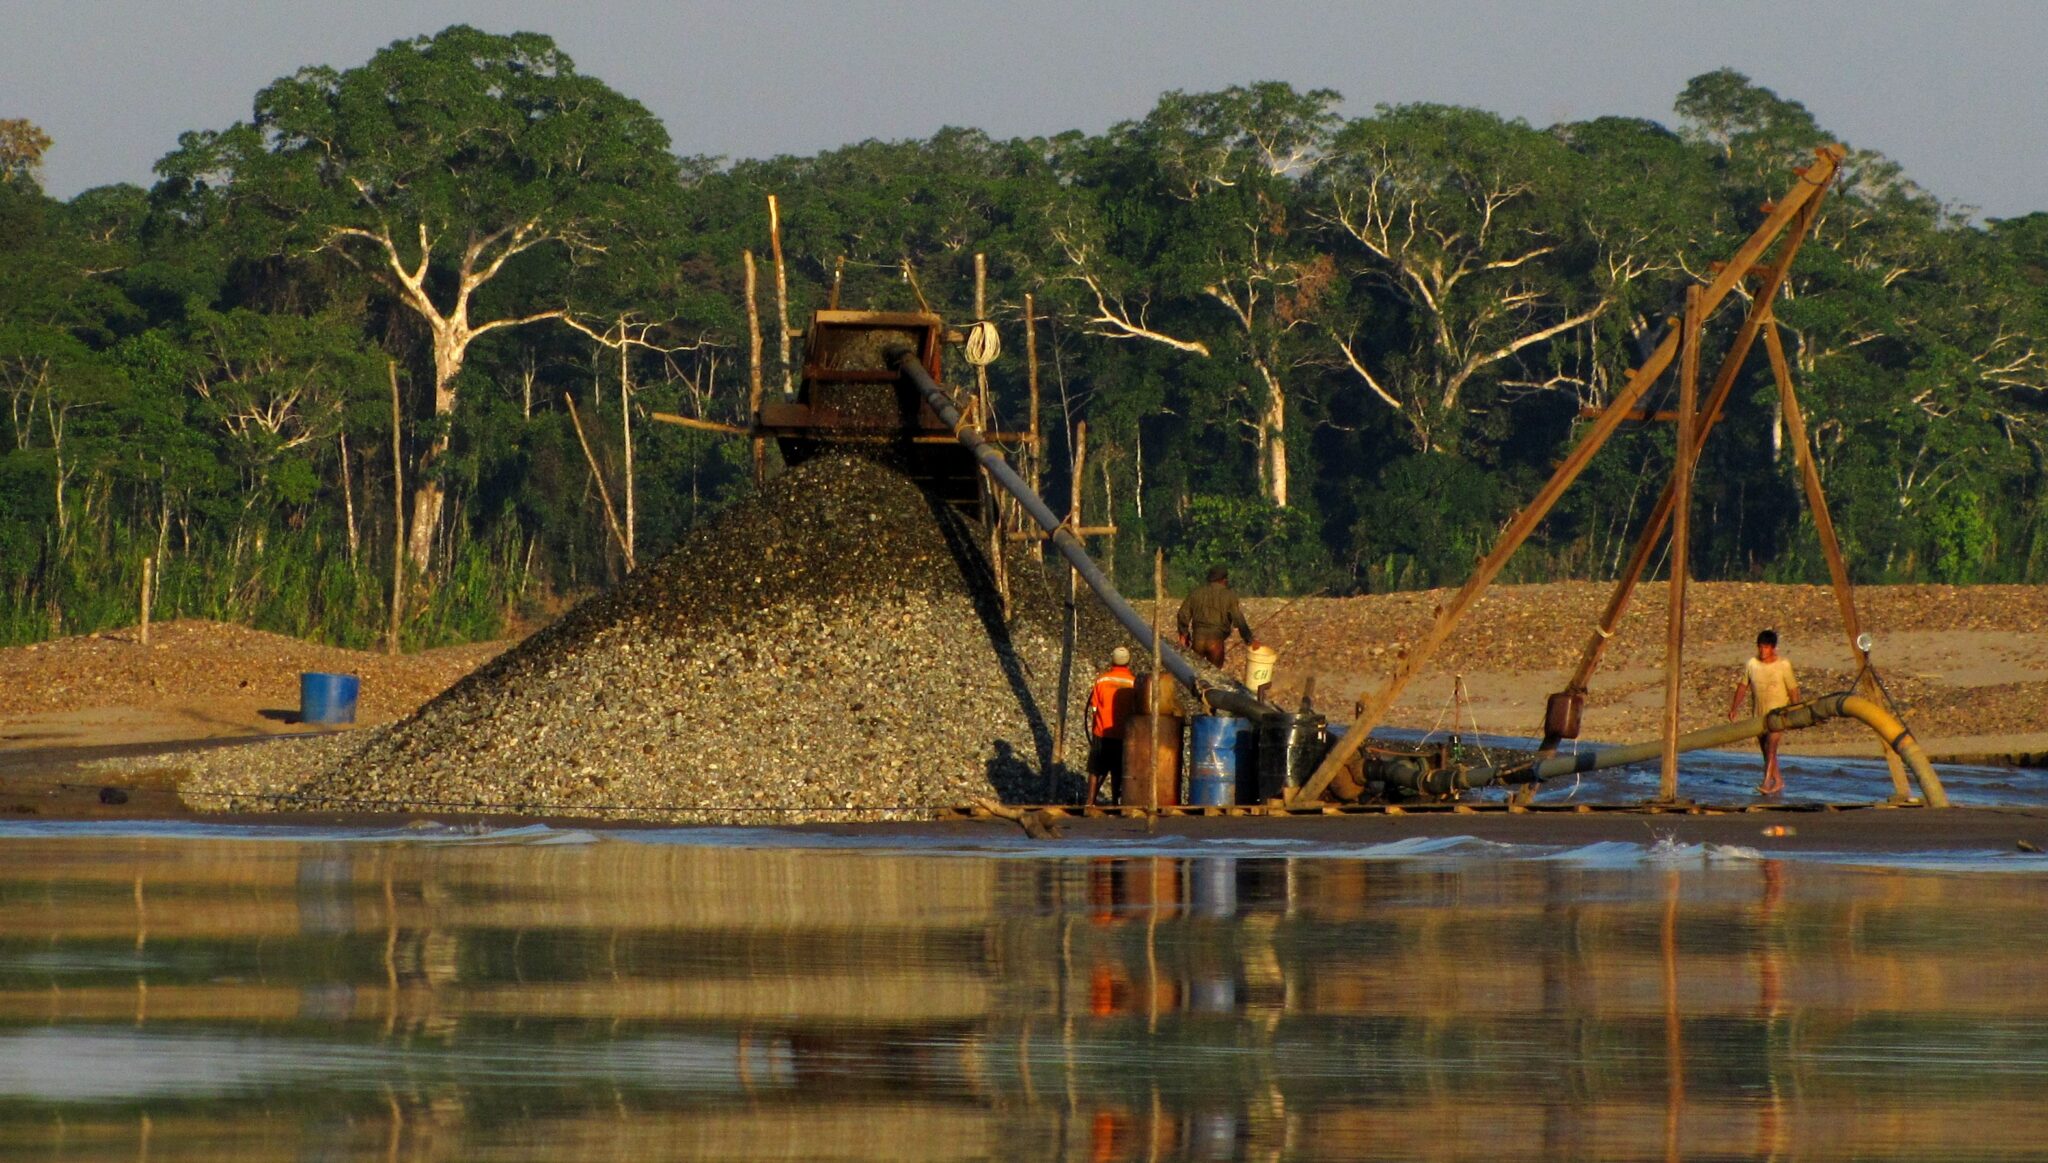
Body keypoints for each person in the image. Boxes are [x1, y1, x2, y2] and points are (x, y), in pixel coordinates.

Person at [1728, 628, 1801, 796]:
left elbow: (1793, 690)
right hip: (1759, 715)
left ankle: (1767, 782)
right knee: (1765, 750)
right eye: (1760, 647)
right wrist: (1734, 708)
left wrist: (1796, 711)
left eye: (1766, 647)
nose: (1762, 651)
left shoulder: (1783, 664)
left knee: (1772, 748)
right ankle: (1779, 781)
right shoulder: (1752, 664)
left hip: (1778, 714)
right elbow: (1742, 686)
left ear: (1773, 648)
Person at [1085, 646, 1138, 806]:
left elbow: (1094, 707)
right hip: (1123, 733)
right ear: (1128, 661)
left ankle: (1090, 801)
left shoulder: (1102, 680)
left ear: (1112, 660)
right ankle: (1116, 801)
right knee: (1118, 769)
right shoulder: (1134, 683)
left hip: (1101, 732)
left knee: (1095, 768)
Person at [1176, 566, 1256, 668]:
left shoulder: (1196, 593)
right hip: (1216, 642)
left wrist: (1184, 635)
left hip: (1198, 641)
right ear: (1224, 580)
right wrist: (1249, 639)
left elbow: (1182, 614)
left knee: (1195, 673)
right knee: (1214, 677)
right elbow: (1239, 619)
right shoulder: (1229, 596)